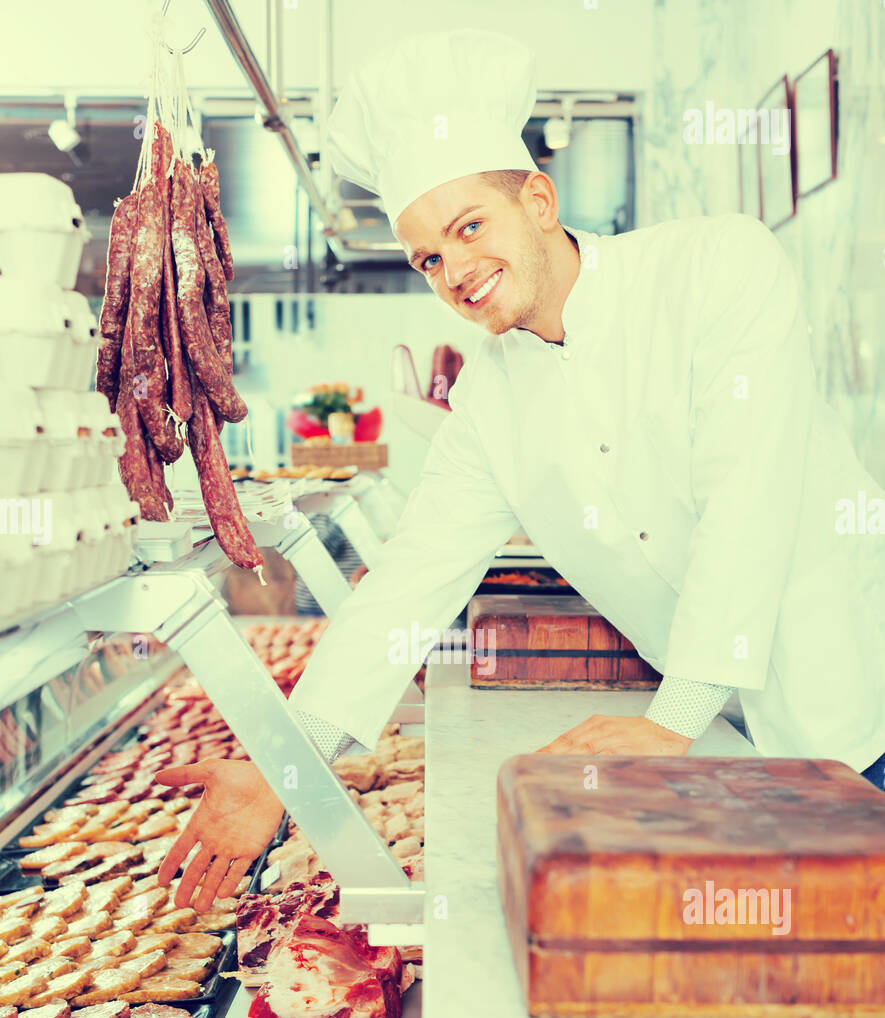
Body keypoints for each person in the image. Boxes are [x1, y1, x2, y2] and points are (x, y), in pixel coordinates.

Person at [157, 29, 885, 911]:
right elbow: (409, 582)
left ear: (537, 199)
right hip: (744, 742)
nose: (455, 270)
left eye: (470, 228)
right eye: (428, 258)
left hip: (856, 677)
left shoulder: (717, 266)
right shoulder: (489, 404)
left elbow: (751, 498)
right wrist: (283, 762)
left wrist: (670, 721)